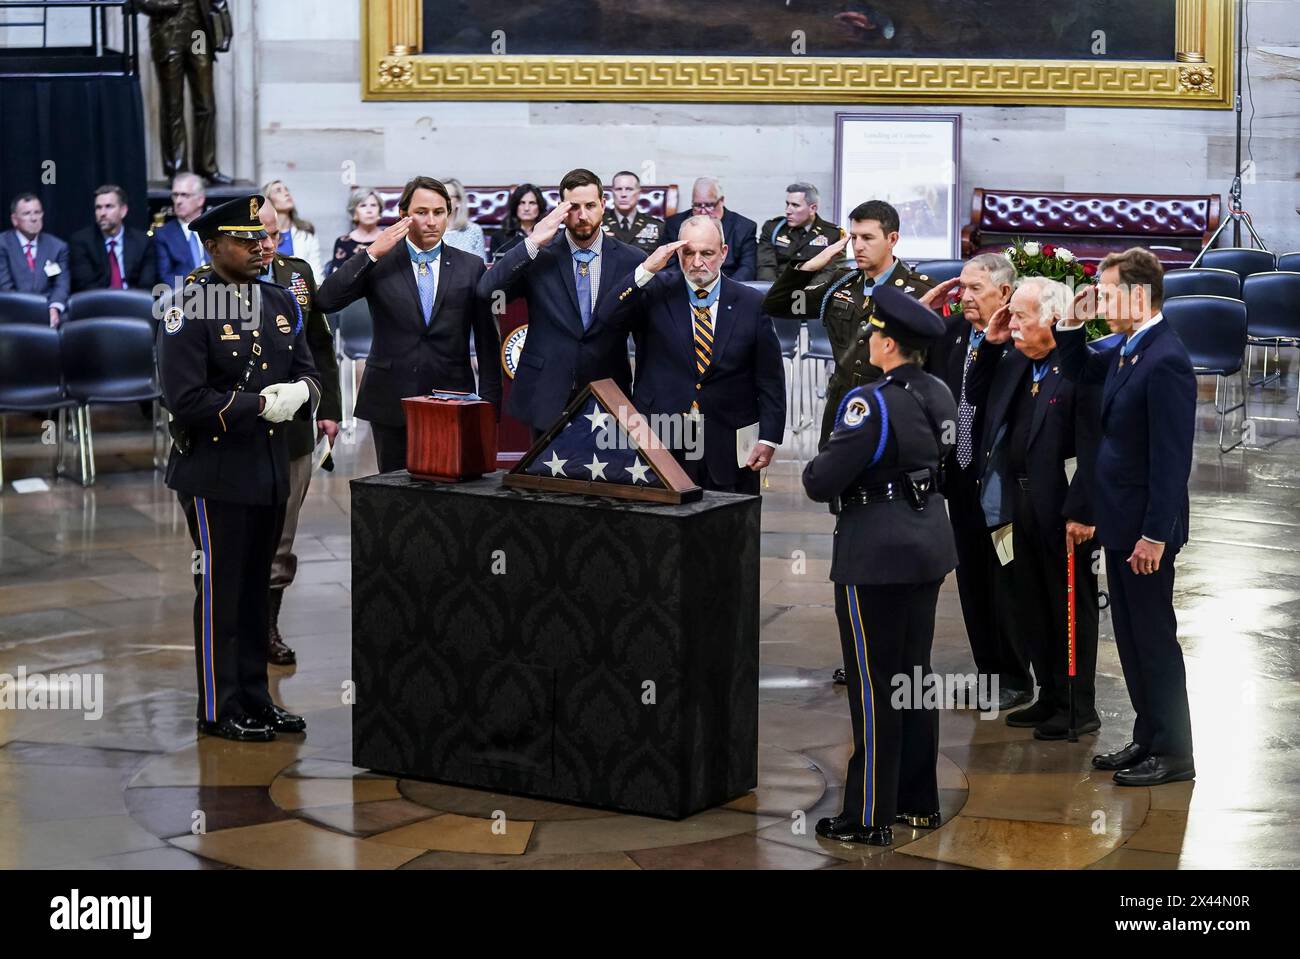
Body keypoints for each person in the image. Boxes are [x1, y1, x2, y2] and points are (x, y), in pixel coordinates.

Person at [156, 194, 321, 742]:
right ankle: (218, 706)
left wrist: (300, 392)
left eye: (264, 238)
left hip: (270, 465)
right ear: (212, 244)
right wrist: (259, 405)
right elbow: (185, 398)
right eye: (246, 240)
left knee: (255, 591)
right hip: (215, 471)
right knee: (220, 590)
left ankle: (256, 696)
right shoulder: (186, 306)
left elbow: (309, 371)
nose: (261, 246)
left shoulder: (278, 300)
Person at [801, 284, 957, 846]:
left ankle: (868, 814)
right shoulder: (940, 391)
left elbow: (821, 480)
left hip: (876, 552)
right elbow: (955, 458)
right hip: (928, 544)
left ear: (888, 344)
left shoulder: (868, 401)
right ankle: (919, 802)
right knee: (914, 675)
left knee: (873, 684)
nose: (866, 338)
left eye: (872, 333)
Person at [1056, 247, 1197, 786]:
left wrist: (1154, 536)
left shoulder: (1165, 359)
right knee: (1132, 638)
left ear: (1140, 296)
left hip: (1145, 529)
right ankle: (1147, 736)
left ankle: (1176, 752)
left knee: (1153, 637)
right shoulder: (1128, 347)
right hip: (1120, 521)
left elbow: (1170, 460)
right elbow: (1078, 368)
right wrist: (1071, 319)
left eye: (1109, 290)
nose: (1101, 299)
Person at [967, 277, 1102, 739]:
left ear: (1053, 319)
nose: (1014, 322)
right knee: (1029, 602)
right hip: (1015, 501)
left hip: (1063, 509)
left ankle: (1078, 706)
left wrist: (1083, 511)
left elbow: (1094, 445)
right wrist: (991, 341)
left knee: (1069, 606)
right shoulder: (1016, 362)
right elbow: (974, 394)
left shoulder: (1078, 368)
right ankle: (1048, 695)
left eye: (1022, 315)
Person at [317, 176, 501, 473]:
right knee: (394, 498)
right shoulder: (381, 262)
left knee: (449, 498)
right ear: (404, 215)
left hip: (452, 398)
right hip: (391, 397)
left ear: (449, 214)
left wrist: (490, 407)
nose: (431, 221)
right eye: (421, 212)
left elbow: (487, 344)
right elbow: (326, 300)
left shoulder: (471, 267)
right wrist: (373, 252)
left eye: (439, 212)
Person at [921, 254, 1031, 710]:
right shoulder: (948, 334)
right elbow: (891, 356)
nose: (964, 297)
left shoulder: (1019, 343)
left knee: (1003, 578)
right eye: (961, 288)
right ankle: (989, 672)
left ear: (1004, 294)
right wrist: (920, 311)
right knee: (969, 578)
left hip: (1001, 483)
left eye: (976, 289)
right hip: (957, 477)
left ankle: (1017, 675)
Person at [606, 215, 785, 494]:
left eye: (707, 253)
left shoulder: (751, 303)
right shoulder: (654, 293)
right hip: (663, 437)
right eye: (688, 253)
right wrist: (645, 270)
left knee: (729, 530)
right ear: (677, 252)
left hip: (730, 442)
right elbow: (607, 320)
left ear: (724, 253)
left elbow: (770, 378)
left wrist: (770, 437)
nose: (697, 262)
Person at [476, 168, 645, 437]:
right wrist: (532, 242)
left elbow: (644, 331)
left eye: (590, 205)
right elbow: (487, 291)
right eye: (574, 207)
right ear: (561, 209)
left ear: (603, 204)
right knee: (543, 477)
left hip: (608, 390)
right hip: (546, 391)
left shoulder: (631, 260)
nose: (582, 215)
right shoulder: (539, 255)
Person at [763, 199, 935, 447]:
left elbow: (933, 363)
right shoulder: (840, 283)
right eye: (854, 238)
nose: (858, 246)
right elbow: (777, 304)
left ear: (892, 239)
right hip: (841, 406)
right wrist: (810, 266)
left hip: (891, 406)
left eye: (868, 238)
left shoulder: (918, 291)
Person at [255, 200, 342, 665]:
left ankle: (268, 628)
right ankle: (235, 624)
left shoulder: (297, 272)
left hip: (295, 428)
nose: (267, 245)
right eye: (258, 236)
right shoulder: (210, 286)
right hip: (242, 429)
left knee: (283, 534)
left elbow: (320, 341)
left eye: (274, 234)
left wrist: (328, 408)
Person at [137, 0, 232, 183]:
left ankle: (207, 167)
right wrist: (162, 4)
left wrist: (225, 30)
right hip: (168, 32)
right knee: (173, 107)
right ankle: (178, 169)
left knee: (206, 105)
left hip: (198, 34)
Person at [662, 177, 757, 281]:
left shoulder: (744, 227)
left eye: (709, 205)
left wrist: (724, 290)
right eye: (697, 205)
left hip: (729, 285)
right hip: (686, 284)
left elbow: (747, 268)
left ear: (721, 201)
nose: (703, 211)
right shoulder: (674, 224)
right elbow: (668, 265)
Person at [69, 185, 159, 293]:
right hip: (96, 304)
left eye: (109, 206)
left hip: (134, 303)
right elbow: (85, 286)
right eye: (98, 207)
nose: (102, 213)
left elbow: (147, 284)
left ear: (123, 211)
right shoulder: (81, 242)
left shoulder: (143, 241)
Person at [0, 193, 69, 328]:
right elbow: (5, 286)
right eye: (26, 214)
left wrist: (54, 308)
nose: (33, 218)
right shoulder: (2, 244)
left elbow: (61, 284)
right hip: (12, 311)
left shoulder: (57, 247)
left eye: (37, 212)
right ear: (15, 220)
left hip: (47, 310)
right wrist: (29, 311)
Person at [756, 182, 842, 281]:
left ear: (812, 209)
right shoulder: (773, 228)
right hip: (775, 289)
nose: (788, 211)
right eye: (787, 204)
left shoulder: (832, 234)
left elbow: (829, 273)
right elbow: (765, 267)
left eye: (795, 205)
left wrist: (803, 294)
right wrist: (774, 292)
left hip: (813, 293)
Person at [263, 180, 323, 283]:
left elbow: (316, 270)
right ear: (268, 200)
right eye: (278, 191)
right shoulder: (263, 233)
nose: (286, 193)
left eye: (286, 190)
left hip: (302, 290)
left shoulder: (306, 231)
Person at [155, 173, 209, 287]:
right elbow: (165, 277)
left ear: (200, 200)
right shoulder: (163, 235)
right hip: (183, 297)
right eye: (175, 195)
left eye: (184, 195)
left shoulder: (215, 229)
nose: (178, 201)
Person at [602, 170, 665, 255]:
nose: (623, 194)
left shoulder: (657, 226)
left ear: (639, 193)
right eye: (618, 189)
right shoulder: (598, 224)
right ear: (612, 192)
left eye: (629, 189)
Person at [327, 188, 384, 276]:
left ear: (379, 211)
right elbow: (336, 278)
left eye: (373, 205)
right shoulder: (343, 242)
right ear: (354, 213)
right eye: (363, 205)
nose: (369, 210)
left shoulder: (389, 238)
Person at [492, 183, 548, 262]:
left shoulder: (549, 235)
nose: (526, 208)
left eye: (532, 203)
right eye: (522, 203)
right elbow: (495, 270)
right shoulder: (499, 237)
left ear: (540, 206)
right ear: (515, 206)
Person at [440, 177, 487, 262]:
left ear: (458, 201)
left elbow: (482, 266)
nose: (442, 201)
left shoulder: (473, 231)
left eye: (447, 197)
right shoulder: (425, 229)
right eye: (439, 197)